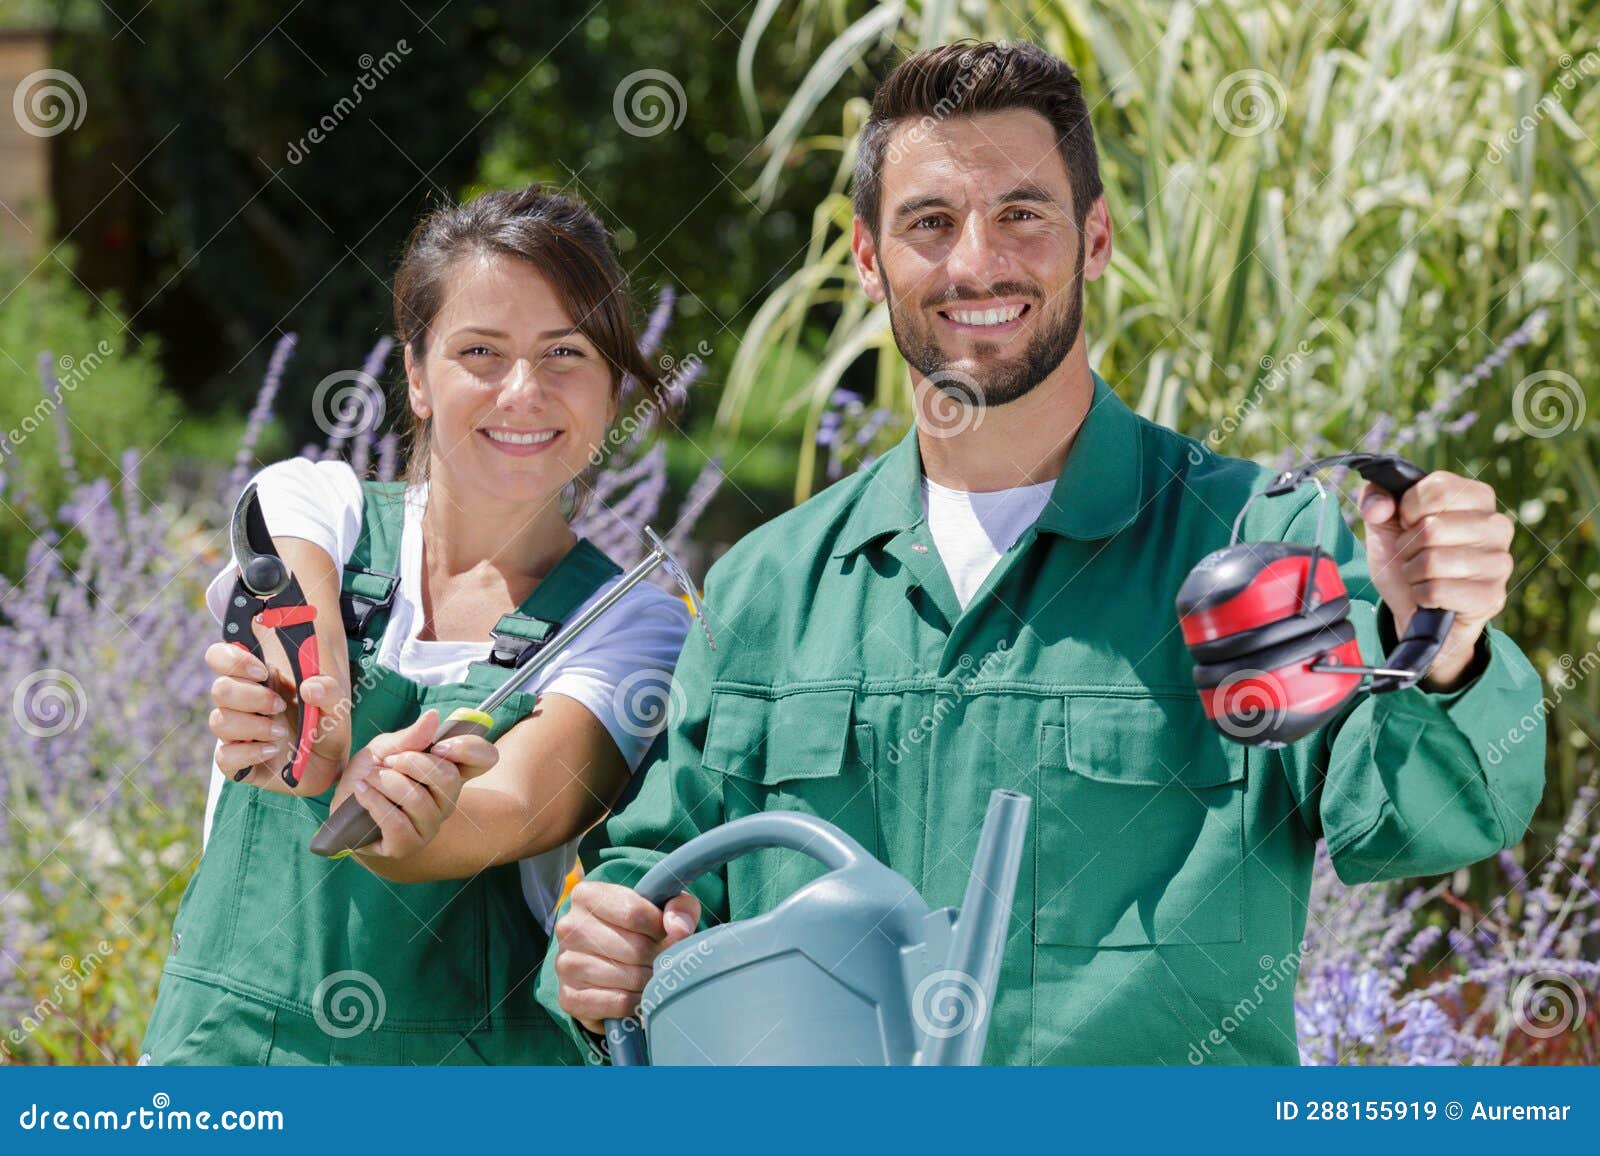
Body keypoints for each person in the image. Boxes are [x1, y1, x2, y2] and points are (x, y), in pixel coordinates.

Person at [542, 42, 1547, 1065]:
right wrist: (606, 953)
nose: (978, 263)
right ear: (866, 256)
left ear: (1095, 237)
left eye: (1022, 213)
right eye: (929, 223)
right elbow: (653, 873)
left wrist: (1448, 643)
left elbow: (1418, 824)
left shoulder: (1260, 541)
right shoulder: (769, 586)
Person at [141, 185, 689, 1065]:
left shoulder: (634, 627)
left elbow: (509, 806)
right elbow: (303, 666)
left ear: (612, 385)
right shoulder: (314, 504)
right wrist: (303, 735)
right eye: (480, 351)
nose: (523, 391)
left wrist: (408, 817)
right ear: (417, 374)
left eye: (566, 353)